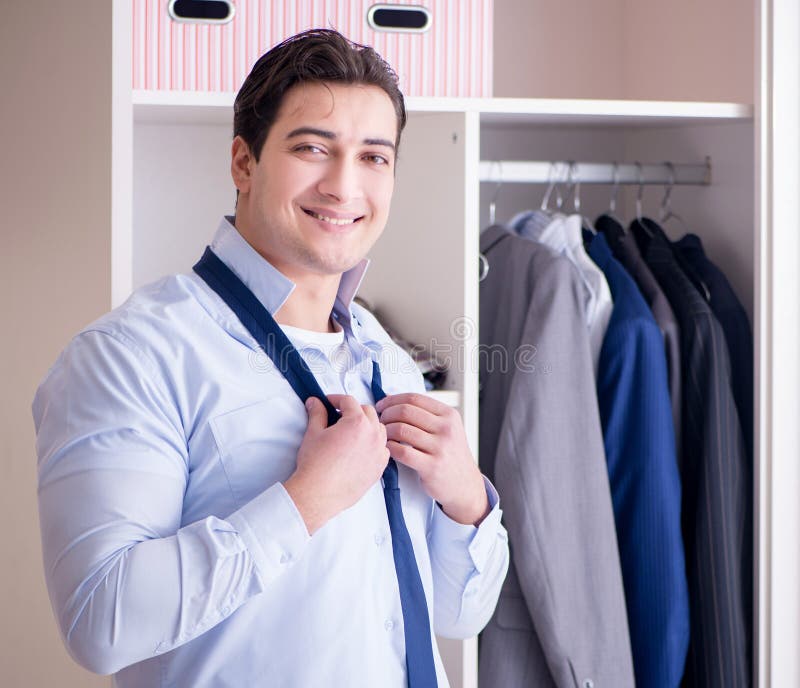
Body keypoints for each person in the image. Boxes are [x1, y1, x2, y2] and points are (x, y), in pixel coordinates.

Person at [33, 29, 509, 687]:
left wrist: (466, 502)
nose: (345, 186)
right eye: (313, 148)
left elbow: (459, 614)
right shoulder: (131, 357)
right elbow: (99, 623)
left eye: (374, 157)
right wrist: (306, 500)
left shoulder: (389, 363)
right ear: (244, 163)